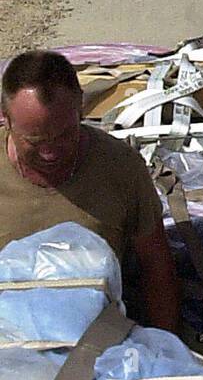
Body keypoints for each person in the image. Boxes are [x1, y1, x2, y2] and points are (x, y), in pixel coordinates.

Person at [0, 50, 179, 331]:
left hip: (94, 344)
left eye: (64, 136)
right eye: (34, 141)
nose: (49, 153)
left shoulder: (120, 167)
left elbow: (156, 269)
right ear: (6, 119)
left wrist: (169, 349)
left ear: (81, 108)